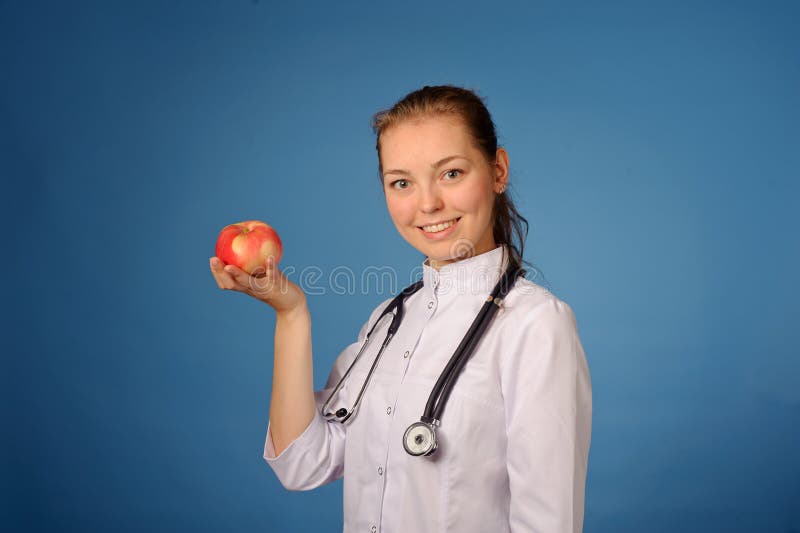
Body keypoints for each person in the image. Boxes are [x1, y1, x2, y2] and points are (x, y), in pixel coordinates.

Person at [209, 85, 592, 532]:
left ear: (498, 170)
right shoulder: (389, 320)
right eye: (402, 182)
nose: (427, 204)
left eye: (451, 173)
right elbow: (303, 463)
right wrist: (292, 315)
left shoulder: (535, 325)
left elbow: (548, 523)